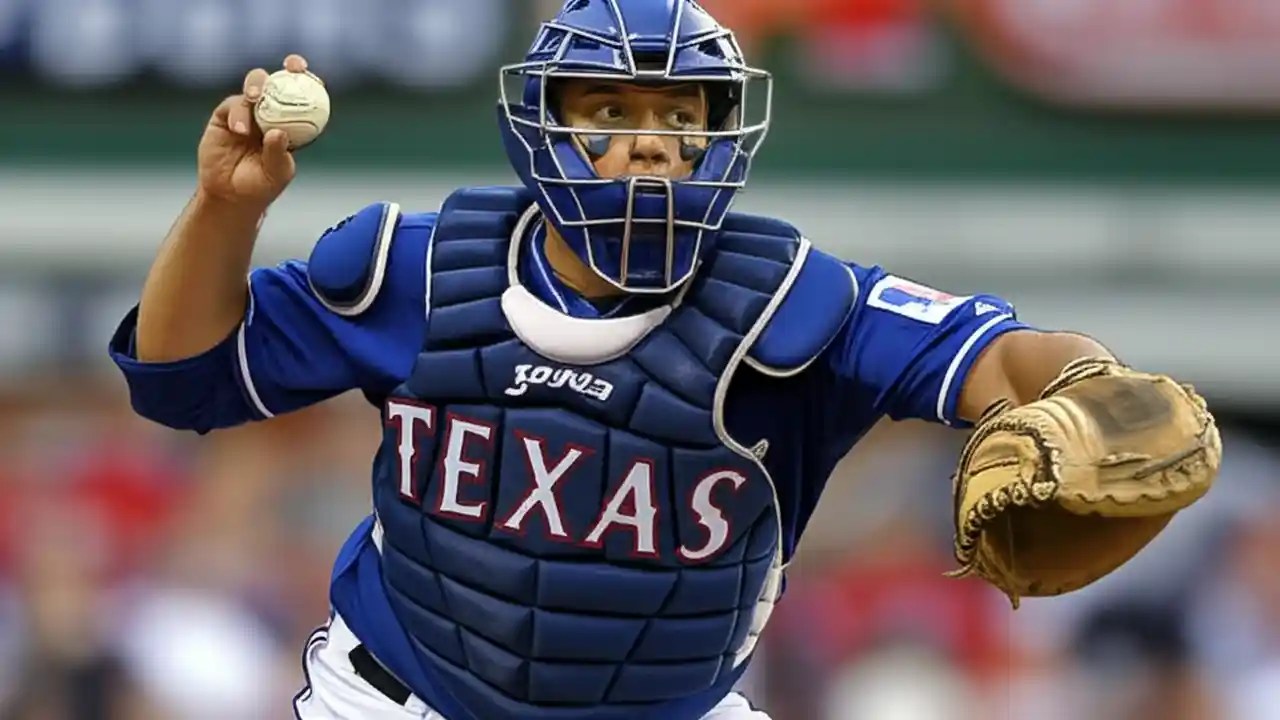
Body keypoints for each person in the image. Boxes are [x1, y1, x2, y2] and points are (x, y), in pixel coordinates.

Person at [107, 1, 1221, 718]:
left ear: (722, 136)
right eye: (608, 108)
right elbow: (181, 377)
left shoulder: (796, 302)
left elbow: (1004, 356)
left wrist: (1087, 386)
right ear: (539, 127)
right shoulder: (417, 264)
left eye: (681, 115)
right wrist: (221, 209)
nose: (649, 139)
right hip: (400, 699)